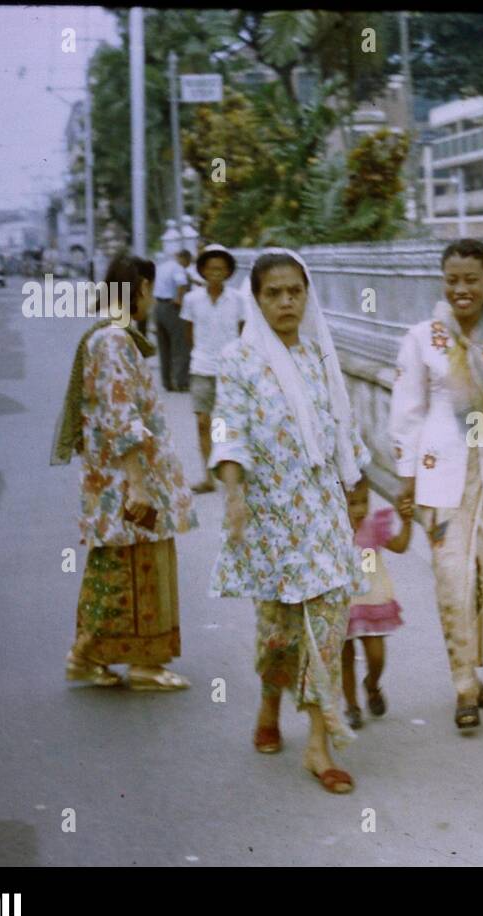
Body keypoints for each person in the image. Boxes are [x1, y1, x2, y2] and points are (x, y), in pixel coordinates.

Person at [209, 249, 371, 794]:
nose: (285, 301)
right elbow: (229, 430)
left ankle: (320, 743)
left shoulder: (322, 356)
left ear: (307, 295)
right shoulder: (239, 360)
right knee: (279, 629)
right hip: (271, 515)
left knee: (327, 625)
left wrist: (356, 487)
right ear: (256, 300)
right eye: (273, 293)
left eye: (294, 292)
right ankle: (268, 702)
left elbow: (342, 428)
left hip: (321, 513)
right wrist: (233, 496)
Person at [390, 239, 483, 731]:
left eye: (471, 279)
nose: (461, 289)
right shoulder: (422, 338)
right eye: (452, 279)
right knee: (453, 579)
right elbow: (406, 412)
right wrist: (406, 477)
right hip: (441, 475)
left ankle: (471, 667)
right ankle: (463, 687)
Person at [52, 252, 198, 690]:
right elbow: (120, 414)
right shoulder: (114, 341)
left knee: (115, 566)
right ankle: (144, 665)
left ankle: (86, 656)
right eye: (151, 288)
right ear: (143, 288)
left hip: (118, 476)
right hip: (127, 479)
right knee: (137, 567)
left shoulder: (110, 338)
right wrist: (138, 484)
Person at [341, 476, 411, 729]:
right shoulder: (330, 531)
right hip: (342, 603)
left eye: (364, 502)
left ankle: (371, 684)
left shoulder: (373, 526)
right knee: (345, 659)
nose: (360, 509)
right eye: (352, 503)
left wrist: (407, 522)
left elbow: (401, 546)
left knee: (376, 655)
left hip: (371, 600)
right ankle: (351, 706)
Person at [181, 244, 248, 494]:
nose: (215, 273)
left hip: (230, 370)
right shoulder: (191, 299)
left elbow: (243, 334)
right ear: (203, 271)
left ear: (228, 272)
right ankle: (208, 477)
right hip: (201, 368)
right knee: (203, 422)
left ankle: (232, 471)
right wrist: (201, 354)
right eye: (210, 269)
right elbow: (189, 334)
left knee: (228, 423)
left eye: (220, 269)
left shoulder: (239, 300)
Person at [152, 249, 193, 391]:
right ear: (185, 259)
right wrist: (180, 299)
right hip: (172, 307)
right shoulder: (178, 268)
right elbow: (181, 283)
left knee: (164, 347)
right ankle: (181, 382)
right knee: (180, 345)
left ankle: (167, 381)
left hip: (158, 306)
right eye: (188, 263)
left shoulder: (162, 266)